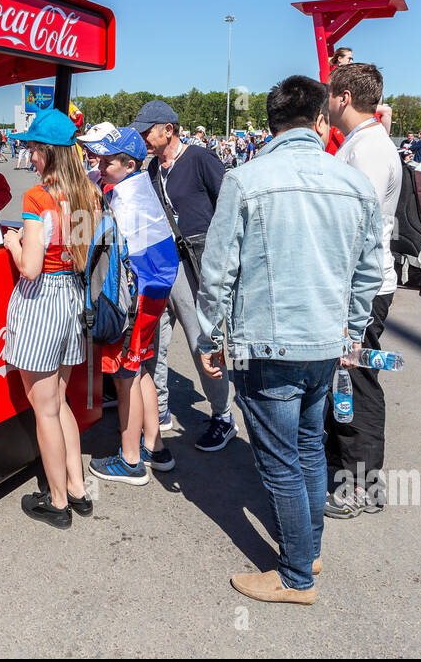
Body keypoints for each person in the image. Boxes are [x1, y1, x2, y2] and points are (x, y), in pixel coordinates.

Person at [197, 75, 383, 605]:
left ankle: (296, 574)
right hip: (325, 341)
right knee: (306, 446)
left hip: (269, 343)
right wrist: (350, 326)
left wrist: (211, 336)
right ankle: (309, 548)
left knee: (280, 458)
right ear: (320, 121)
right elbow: (370, 270)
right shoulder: (352, 183)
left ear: (271, 125)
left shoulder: (246, 179)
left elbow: (218, 272)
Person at [1, 108, 99, 528]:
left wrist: (11, 242)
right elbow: (79, 252)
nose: (30, 156)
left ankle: (58, 501)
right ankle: (77, 487)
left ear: (47, 151)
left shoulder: (37, 198)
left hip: (41, 300)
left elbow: (31, 267)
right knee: (59, 402)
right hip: (72, 299)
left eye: (34, 149)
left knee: (44, 408)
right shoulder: (87, 194)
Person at [135, 101, 238, 450]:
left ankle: (223, 415)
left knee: (202, 342)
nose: (143, 137)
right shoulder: (152, 168)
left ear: (169, 129)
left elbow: (229, 206)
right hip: (160, 266)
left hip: (195, 265)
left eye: (148, 130)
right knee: (155, 341)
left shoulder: (199, 159)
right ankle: (159, 409)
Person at [323, 62, 402, 517]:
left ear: (344, 98)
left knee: (355, 381)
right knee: (348, 380)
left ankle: (361, 484)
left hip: (361, 287)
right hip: (357, 284)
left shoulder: (369, 147)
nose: (327, 103)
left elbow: (359, 223)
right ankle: (351, 475)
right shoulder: (362, 142)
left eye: (330, 95)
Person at [80, 127, 179, 486]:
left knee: (126, 376)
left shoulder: (125, 199)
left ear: (130, 163)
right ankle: (155, 446)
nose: (100, 166)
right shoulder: (136, 186)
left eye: (108, 161)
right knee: (142, 370)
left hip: (136, 298)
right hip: (153, 292)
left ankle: (131, 459)